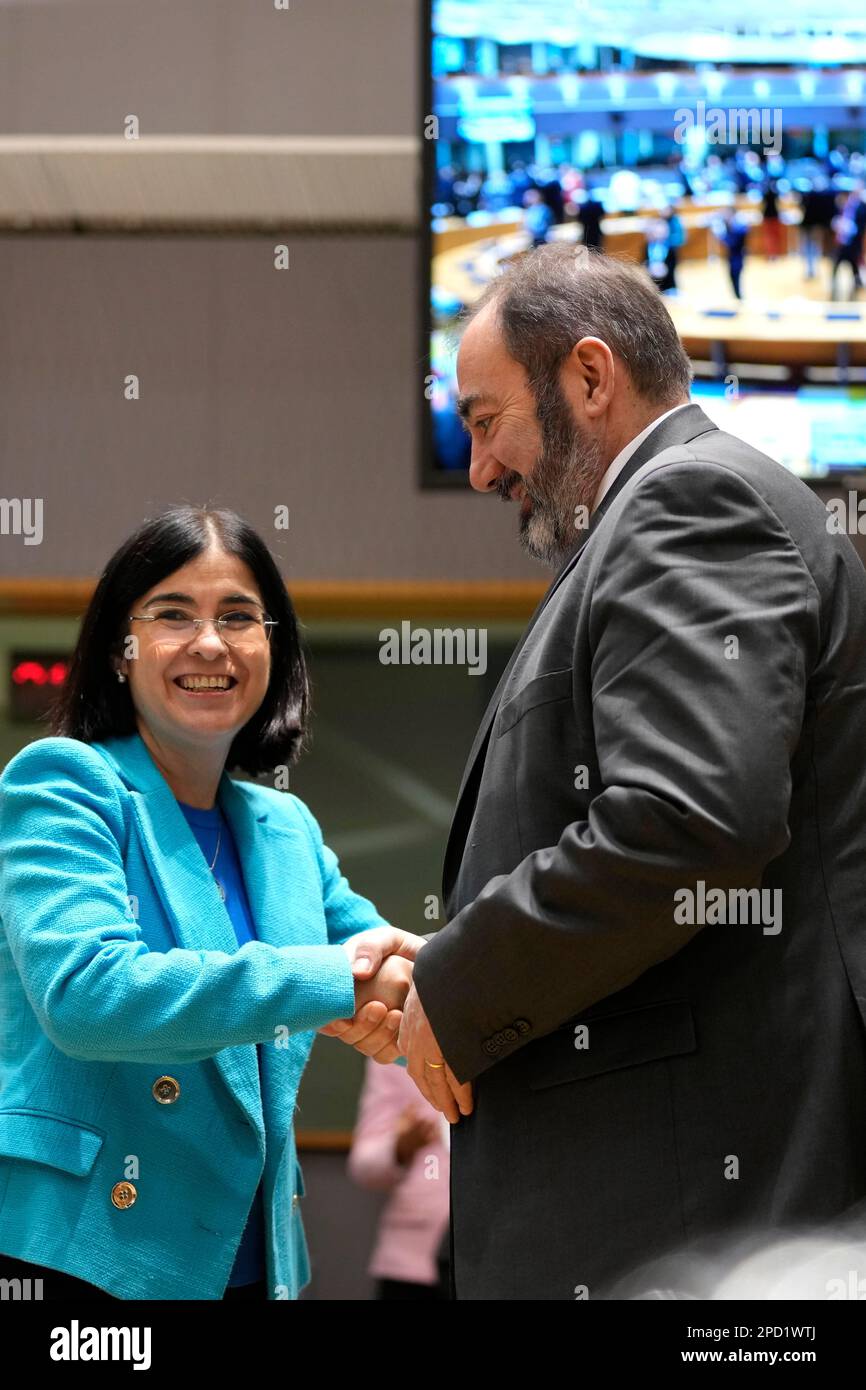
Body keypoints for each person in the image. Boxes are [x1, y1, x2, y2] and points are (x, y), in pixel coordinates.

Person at [353, 244, 866, 1299]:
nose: (480, 467)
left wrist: (460, 983)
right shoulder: (669, 515)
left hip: (692, 1213)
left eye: (485, 420)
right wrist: (459, 948)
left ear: (589, 378)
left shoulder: (690, 504)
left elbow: (686, 821)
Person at [0, 504, 428, 1300]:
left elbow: (389, 967)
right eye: (172, 615)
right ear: (120, 652)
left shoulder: (285, 828)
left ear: (273, 647)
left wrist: (459, 981)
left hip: (253, 1267)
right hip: (82, 1262)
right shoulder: (62, 782)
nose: (209, 643)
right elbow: (89, 996)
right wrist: (334, 983)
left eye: (238, 617)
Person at [348, 1058, 450, 1299]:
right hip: (413, 1261)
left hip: (498, 1252)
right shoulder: (394, 1049)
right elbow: (363, 1165)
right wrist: (400, 1146)